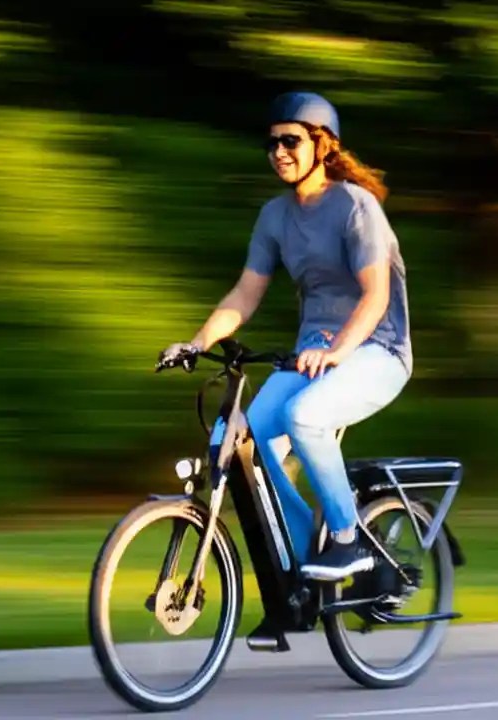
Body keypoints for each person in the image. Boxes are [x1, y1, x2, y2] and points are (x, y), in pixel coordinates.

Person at [159, 91, 413, 583]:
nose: (279, 151)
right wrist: (196, 343)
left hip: (377, 351)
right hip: (314, 356)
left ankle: (347, 539)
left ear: (323, 146)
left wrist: (339, 351)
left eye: (291, 140)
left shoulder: (356, 208)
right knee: (243, 445)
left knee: (305, 416)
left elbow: (376, 296)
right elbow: (244, 294)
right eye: (272, 142)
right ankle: (300, 563)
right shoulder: (275, 216)